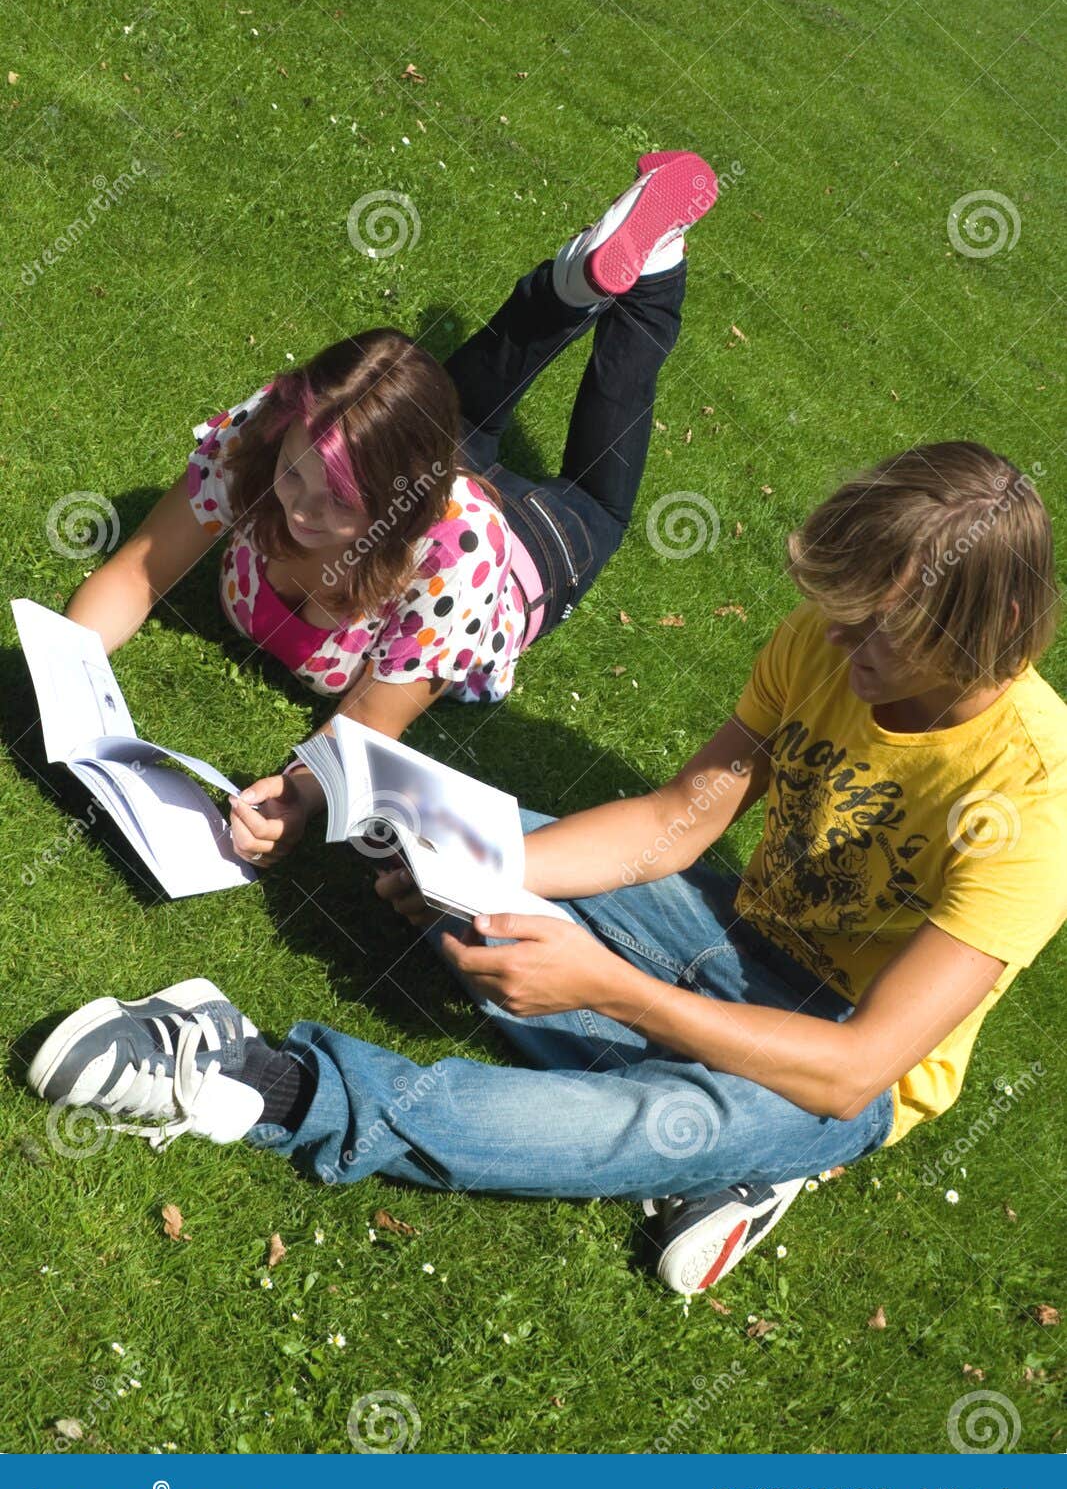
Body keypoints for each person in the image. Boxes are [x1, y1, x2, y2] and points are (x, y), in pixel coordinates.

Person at [28, 444, 1065, 1294]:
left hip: (845, 1058)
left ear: (992, 632)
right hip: (724, 938)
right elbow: (670, 826)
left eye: (879, 627)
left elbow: (854, 1068)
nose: (840, 642)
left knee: (677, 1115)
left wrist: (605, 985)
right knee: (431, 826)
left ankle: (263, 1083)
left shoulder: (1033, 799)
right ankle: (729, 1163)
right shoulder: (828, 641)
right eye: (838, 610)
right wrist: (474, 865)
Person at [63, 150, 716, 867]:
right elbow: (138, 573)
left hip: (539, 550)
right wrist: (64, 672)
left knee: (609, 432)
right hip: (416, 469)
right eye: (294, 475)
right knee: (451, 395)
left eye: (337, 501)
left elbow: (368, 722)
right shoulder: (279, 431)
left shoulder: (453, 560)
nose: (301, 513)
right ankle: (574, 278)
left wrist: (297, 795)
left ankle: (654, 268)